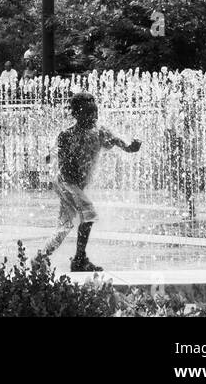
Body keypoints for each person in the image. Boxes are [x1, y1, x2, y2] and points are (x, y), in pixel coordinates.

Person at [44, 92, 142, 272]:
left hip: (74, 186)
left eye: (94, 113)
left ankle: (40, 258)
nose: (92, 117)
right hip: (65, 183)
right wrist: (51, 156)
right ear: (75, 114)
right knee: (88, 213)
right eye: (87, 113)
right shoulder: (67, 134)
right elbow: (53, 154)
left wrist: (131, 147)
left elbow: (121, 143)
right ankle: (79, 260)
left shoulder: (100, 132)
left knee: (64, 227)